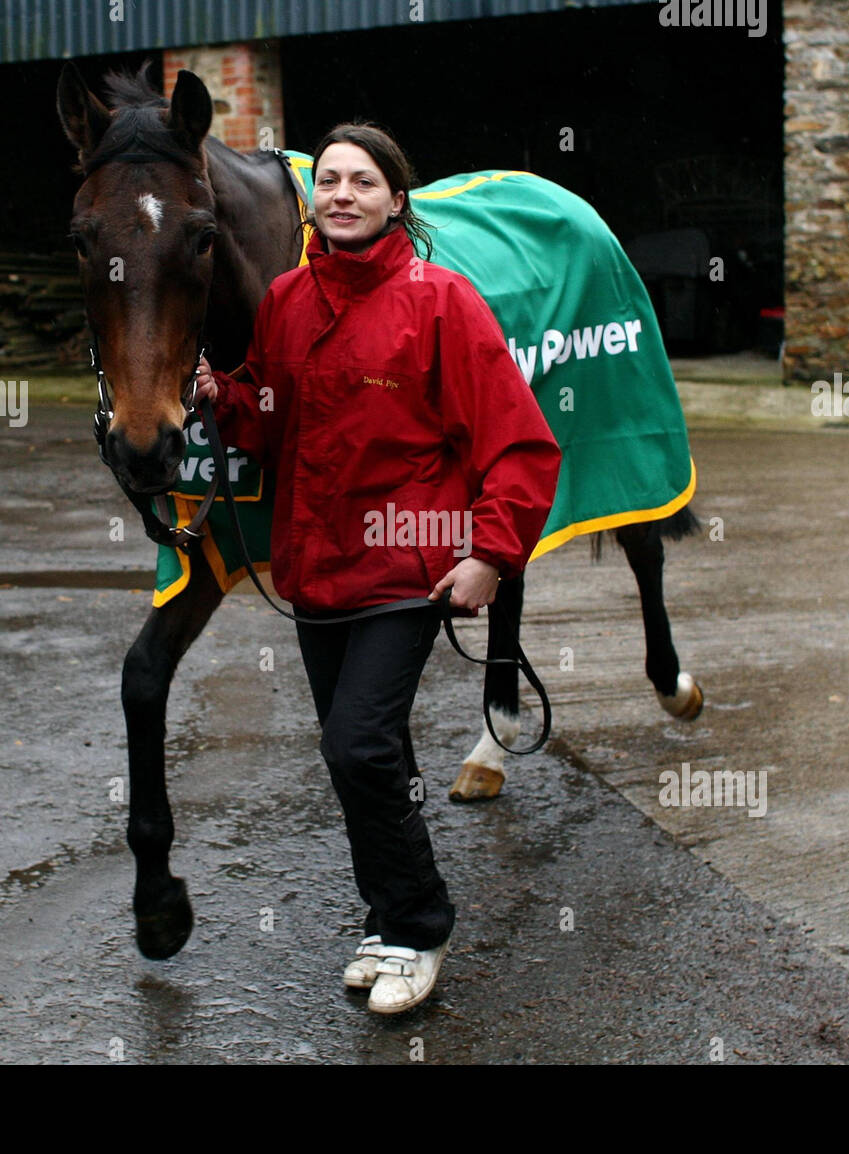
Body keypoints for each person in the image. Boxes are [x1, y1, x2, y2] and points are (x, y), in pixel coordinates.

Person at [194, 123, 561, 1014]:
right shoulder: (286, 298)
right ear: (312, 198)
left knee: (354, 742)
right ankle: (386, 916)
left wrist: (490, 553)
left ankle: (421, 926)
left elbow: (519, 441)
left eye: (363, 181)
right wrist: (224, 396)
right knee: (369, 756)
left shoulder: (443, 302)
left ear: (398, 199)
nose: (344, 194)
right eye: (329, 181)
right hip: (314, 568)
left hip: (405, 563)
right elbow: (274, 414)